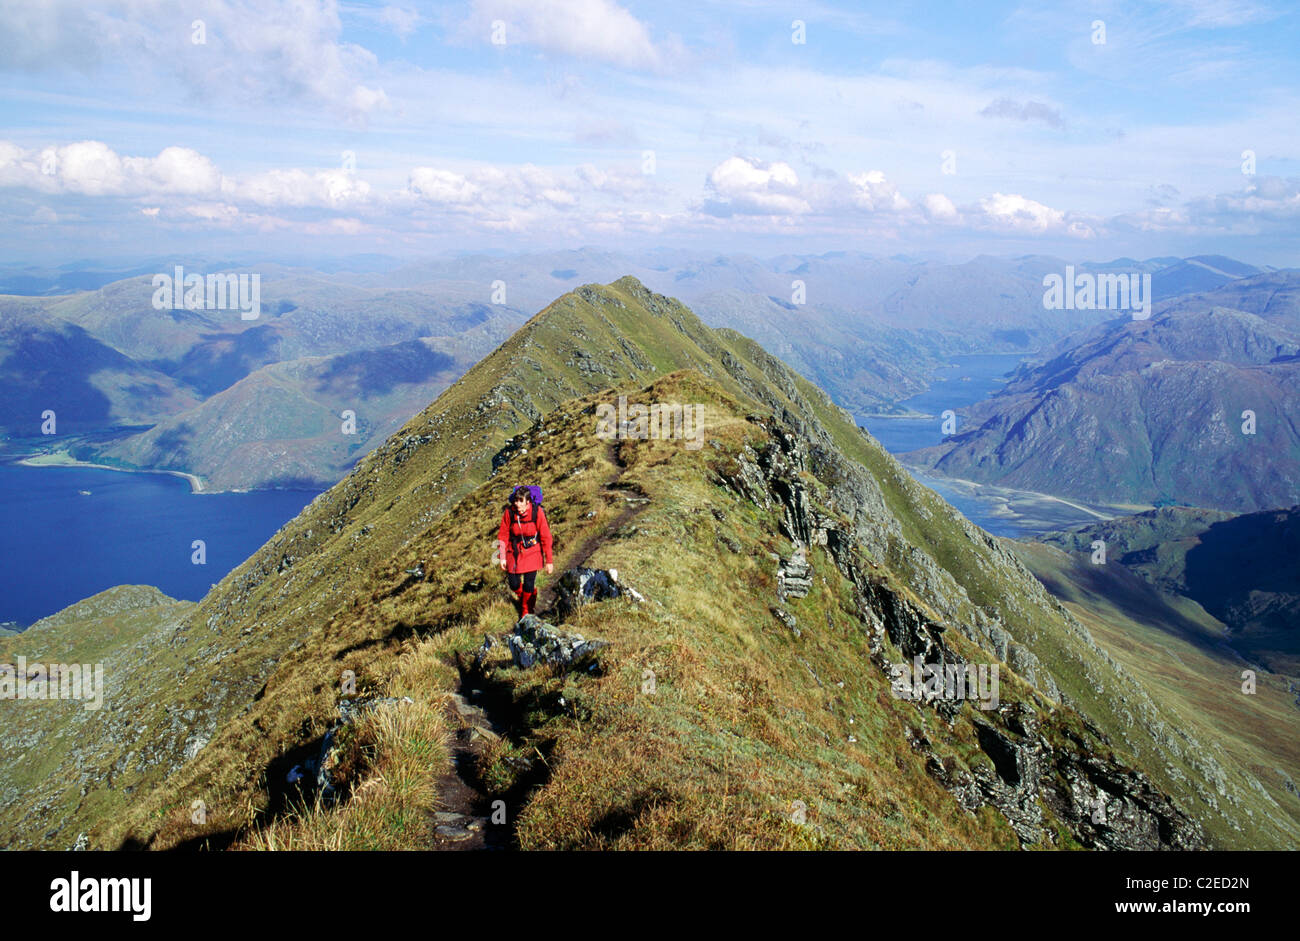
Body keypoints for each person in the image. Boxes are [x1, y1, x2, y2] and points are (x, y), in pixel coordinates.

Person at [498, 484, 553, 617]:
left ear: (528, 502)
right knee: (514, 584)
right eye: (516, 501)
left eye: (520, 501)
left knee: (529, 582)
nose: (517, 504)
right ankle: (526, 597)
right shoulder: (509, 512)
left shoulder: (537, 512)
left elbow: (546, 536)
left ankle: (526, 610)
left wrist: (549, 561)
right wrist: (503, 556)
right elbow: (503, 535)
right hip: (514, 551)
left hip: (533, 551)